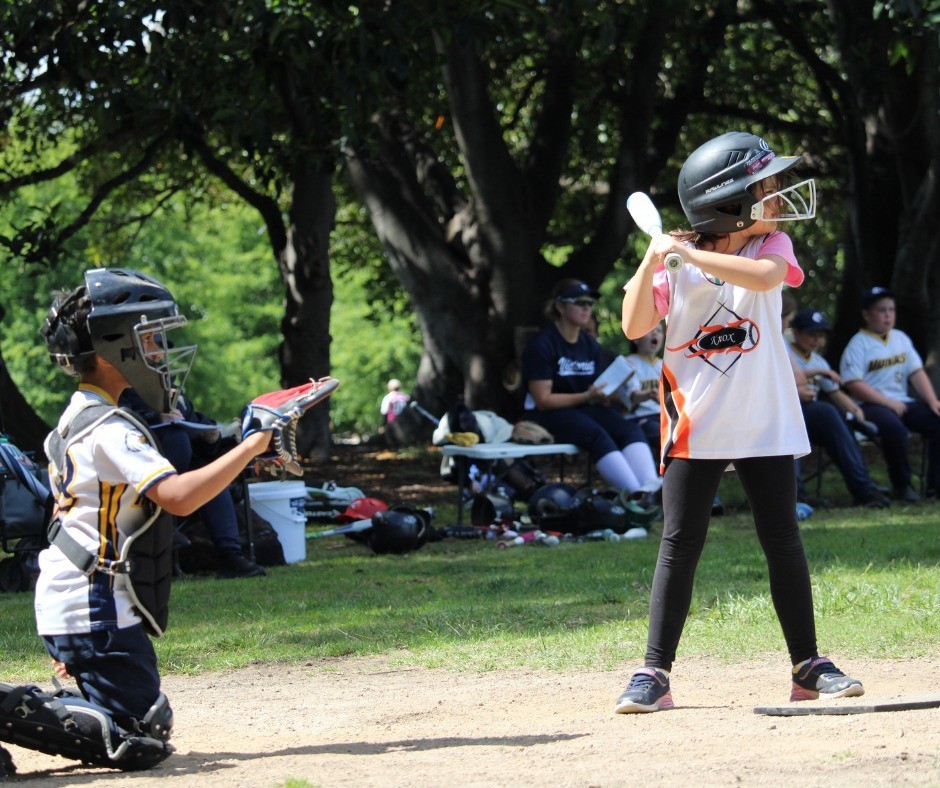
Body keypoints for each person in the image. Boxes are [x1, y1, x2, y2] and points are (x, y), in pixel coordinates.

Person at [618, 131, 863, 713]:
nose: (777, 196)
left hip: (764, 419)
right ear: (727, 203)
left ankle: (808, 665)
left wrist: (691, 256)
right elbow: (633, 325)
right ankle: (655, 673)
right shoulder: (672, 259)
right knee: (679, 544)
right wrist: (652, 259)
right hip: (693, 423)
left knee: (782, 537)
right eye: (765, 187)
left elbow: (764, 280)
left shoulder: (772, 244)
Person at [16, 268, 274, 770]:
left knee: (141, 725)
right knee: (139, 738)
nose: (160, 352)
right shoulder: (110, 429)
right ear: (117, 350)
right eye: (151, 339)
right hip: (93, 605)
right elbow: (177, 497)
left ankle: (68, 691)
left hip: (82, 600)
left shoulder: (78, 412)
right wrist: (251, 444)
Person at [521, 279, 661, 498]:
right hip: (546, 414)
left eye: (589, 303)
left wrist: (611, 394)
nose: (587, 307)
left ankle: (651, 488)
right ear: (560, 306)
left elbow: (598, 387)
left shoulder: (589, 344)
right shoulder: (543, 344)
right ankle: (636, 496)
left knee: (628, 429)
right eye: (579, 302)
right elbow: (543, 400)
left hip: (583, 407)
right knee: (596, 435)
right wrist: (587, 396)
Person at [119, 388, 267, 578]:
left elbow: (195, 423)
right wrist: (157, 418)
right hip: (145, 471)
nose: (159, 358)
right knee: (175, 438)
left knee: (212, 481)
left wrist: (211, 438)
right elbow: (122, 420)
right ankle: (165, 524)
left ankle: (230, 554)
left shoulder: (174, 393)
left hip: (184, 468)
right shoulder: (124, 390)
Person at [839, 286, 940, 501]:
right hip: (869, 406)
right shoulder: (858, 344)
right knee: (894, 428)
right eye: (881, 310)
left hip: (902, 402)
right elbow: (853, 383)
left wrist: (933, 401)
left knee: (937, 421)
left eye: (891, 310)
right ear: (866, 314)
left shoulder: (900, 338)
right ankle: (902, 485)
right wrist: (887, 402)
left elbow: (916, 372)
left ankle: (935, 487)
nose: (887, 315)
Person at [788, 308, 889, 508]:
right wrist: (818, 375)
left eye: (820, 336)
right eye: (811, 335)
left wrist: (856, 412)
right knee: (825, 412)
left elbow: (835, 393)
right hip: (788, 413)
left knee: (838, 418)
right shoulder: (784, 349)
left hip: (811, 416)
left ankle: (863, 488)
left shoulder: (818, 360)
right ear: (796, 333)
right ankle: (795, 496)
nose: (816, 341)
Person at [619, 323, 664, 455]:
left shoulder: (664, 364)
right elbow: (633, 395)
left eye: (659, 331)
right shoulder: (628, 363)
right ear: (636, 338)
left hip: (662, 417)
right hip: (638, 418)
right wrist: (650, 394)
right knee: (664, 435)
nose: (655, 334)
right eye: (650, 330)